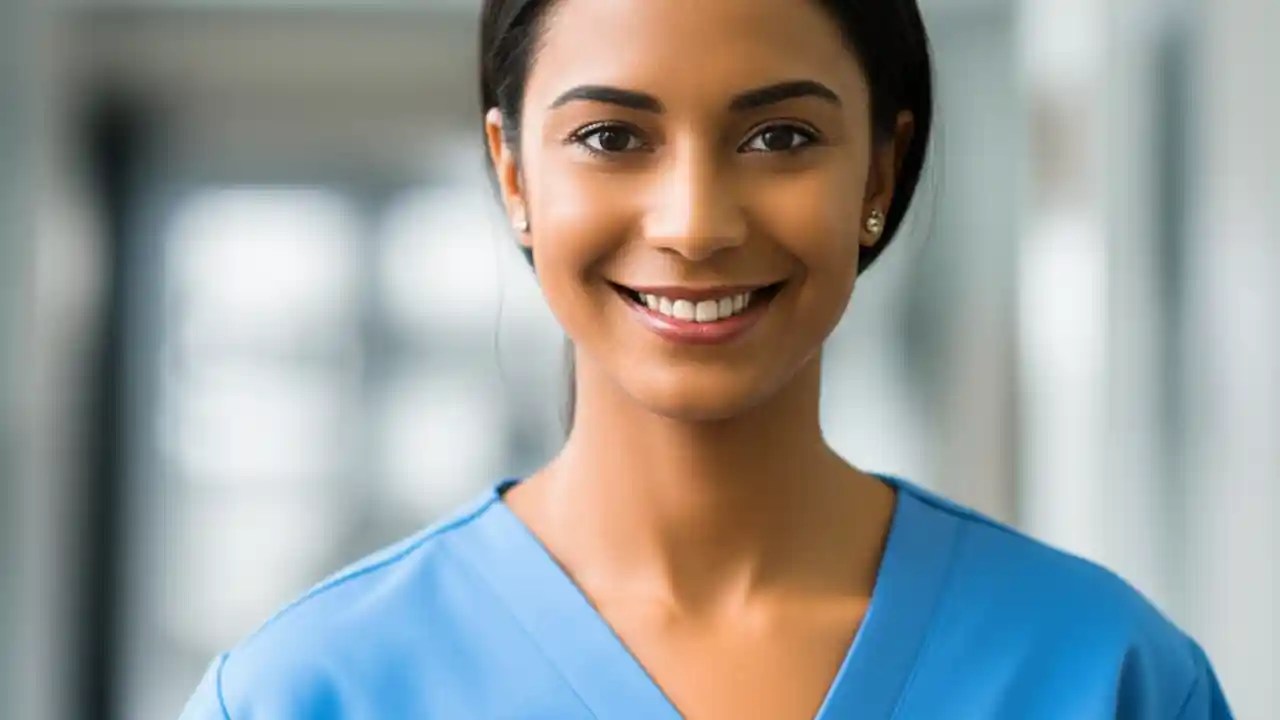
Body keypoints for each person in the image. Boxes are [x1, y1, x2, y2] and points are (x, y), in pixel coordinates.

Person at [180, 0, 1233, 717]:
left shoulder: (1107, 677)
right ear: (512, 173)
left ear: (880, 168)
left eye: (777, 137)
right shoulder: (308, 692)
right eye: (609, 138)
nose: (692, 224)